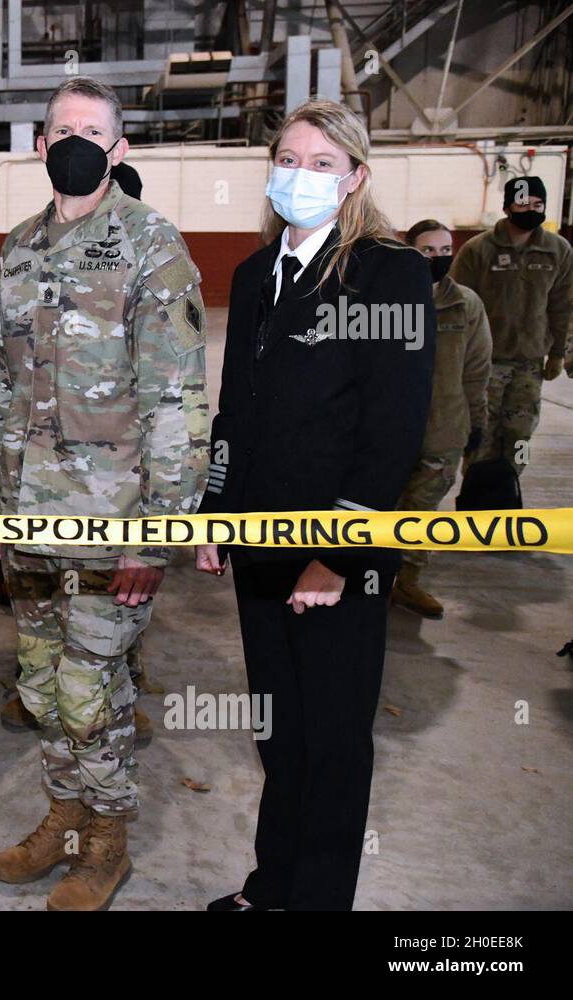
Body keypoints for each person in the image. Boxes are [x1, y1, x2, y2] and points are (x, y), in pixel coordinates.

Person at [0, 76, 210, 911]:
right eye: (60, 129)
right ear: (40, 146)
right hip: (28, 518)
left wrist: (159, 535)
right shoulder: (17, 246)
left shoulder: (153, 245)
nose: (74, 141)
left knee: (90, 692)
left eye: (93, 129)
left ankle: (107, 843)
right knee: (41, 684)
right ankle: (63, 825)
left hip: (113, 522)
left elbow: (178, 401)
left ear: (120, 148)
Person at [195, 98, 435, 911]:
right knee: (279, 732)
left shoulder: (388, 272)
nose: (300, 176)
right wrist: (216, 513)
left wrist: (336, 556)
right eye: (289, 160)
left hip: (338, 556)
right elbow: (234, 410)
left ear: (356, 177)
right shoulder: (255, 273)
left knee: (333, 741)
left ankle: (321, 900)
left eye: (322, 163)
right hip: (259, 547)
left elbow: (394, 432)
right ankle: (273, 888)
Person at [392, 219, 492, 619]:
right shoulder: (388, 301)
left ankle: (409, 583)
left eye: (444, 250)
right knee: (382, 509)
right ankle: (374, 581)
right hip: (394, 430)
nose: (438, 258)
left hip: (444, 428)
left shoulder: (466, 304)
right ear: (410, 251)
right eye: (428, 250)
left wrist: (477, 422)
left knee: (422, 512)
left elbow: (477, 368)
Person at [451, 175, 572, 475]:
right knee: (481, 434)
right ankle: (477, 495)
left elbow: (563, 305)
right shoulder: (478, 250)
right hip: (485, 363)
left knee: (522, 433)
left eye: (538, 204)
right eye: (523, 203)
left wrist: (559, 352)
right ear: (507, 207)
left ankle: (511, 487)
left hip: (530, 363)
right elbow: (457, 307)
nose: (531, 209)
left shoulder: (558, 251)